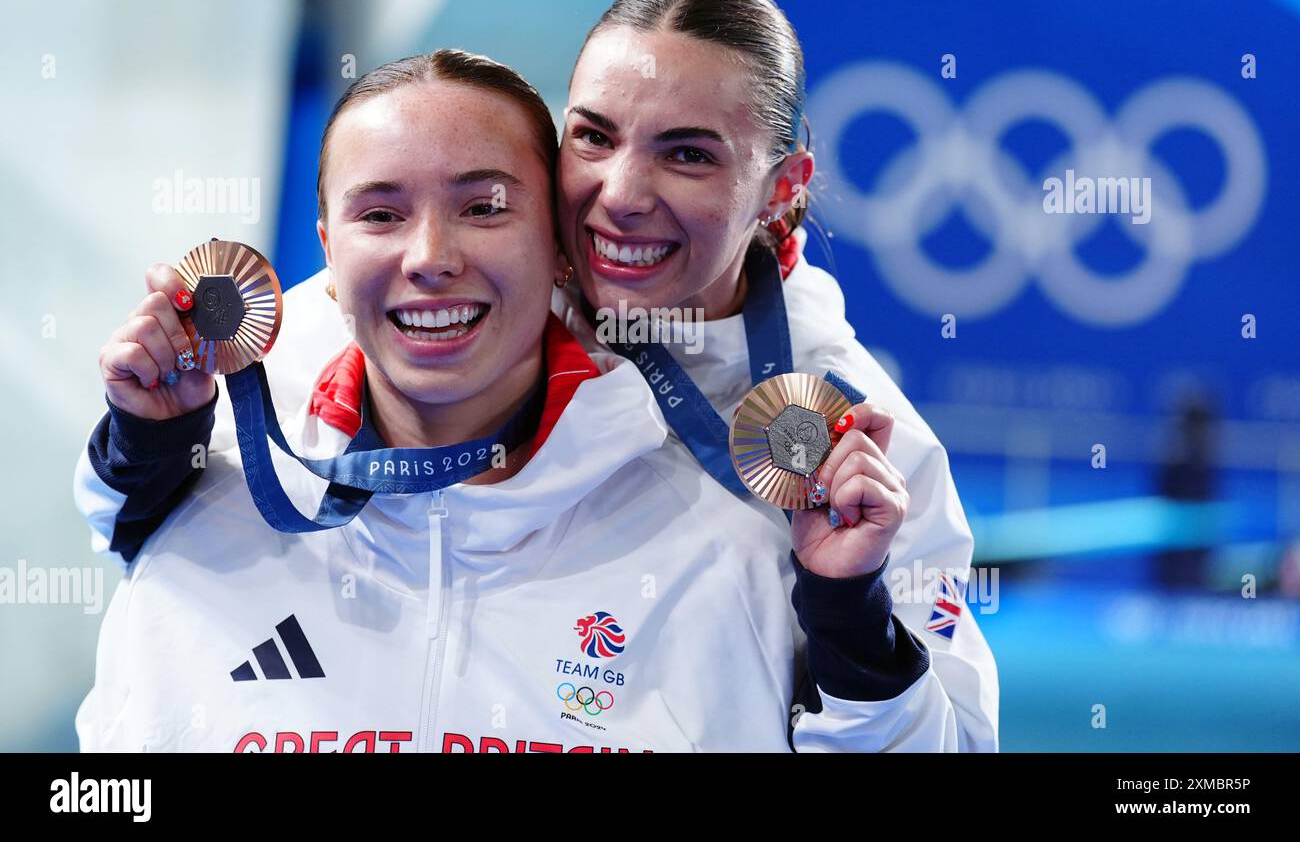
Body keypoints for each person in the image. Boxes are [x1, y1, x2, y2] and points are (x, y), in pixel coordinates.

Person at [76, 49, 960, 752]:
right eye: (380, 215)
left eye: (485, 207)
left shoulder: (728, 547)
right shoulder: (214, 501)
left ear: (560, 249)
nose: (430, 255)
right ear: (328, 254)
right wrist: (154, 442)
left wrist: (849, 614)